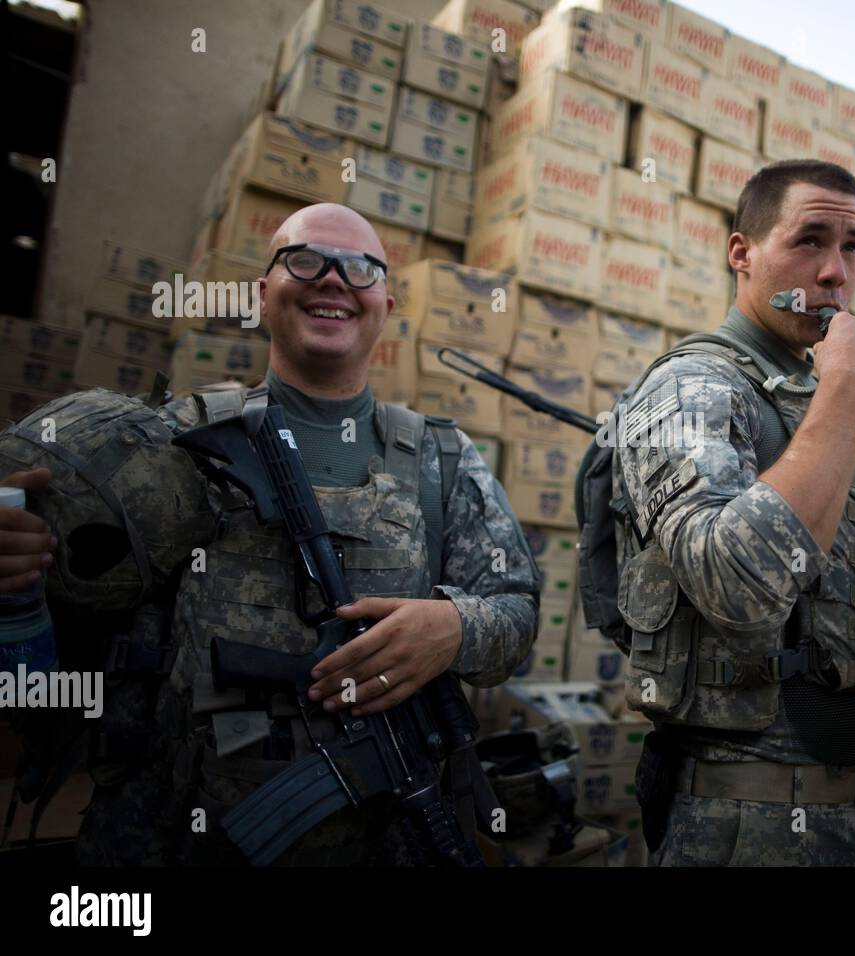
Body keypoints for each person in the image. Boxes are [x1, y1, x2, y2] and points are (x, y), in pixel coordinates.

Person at [0, 203, 540, 864]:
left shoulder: (443, 462)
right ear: (262, 294)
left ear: (386, 307)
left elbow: (516, 614)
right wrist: (19, 576)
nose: (333, 279)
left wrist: (454, 627)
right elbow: (40, 662)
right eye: (304, 260)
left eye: (360, 269)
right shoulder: (163, 447)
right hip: (170, 838)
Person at [610, 160, 855, 867]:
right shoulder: (692, 387)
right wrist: (847, 390)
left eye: (853, 247)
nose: (835, 272)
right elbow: (736, 587)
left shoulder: (826, 406)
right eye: (809, 241)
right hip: (737, 822)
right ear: (742, 253)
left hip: (846, 812)